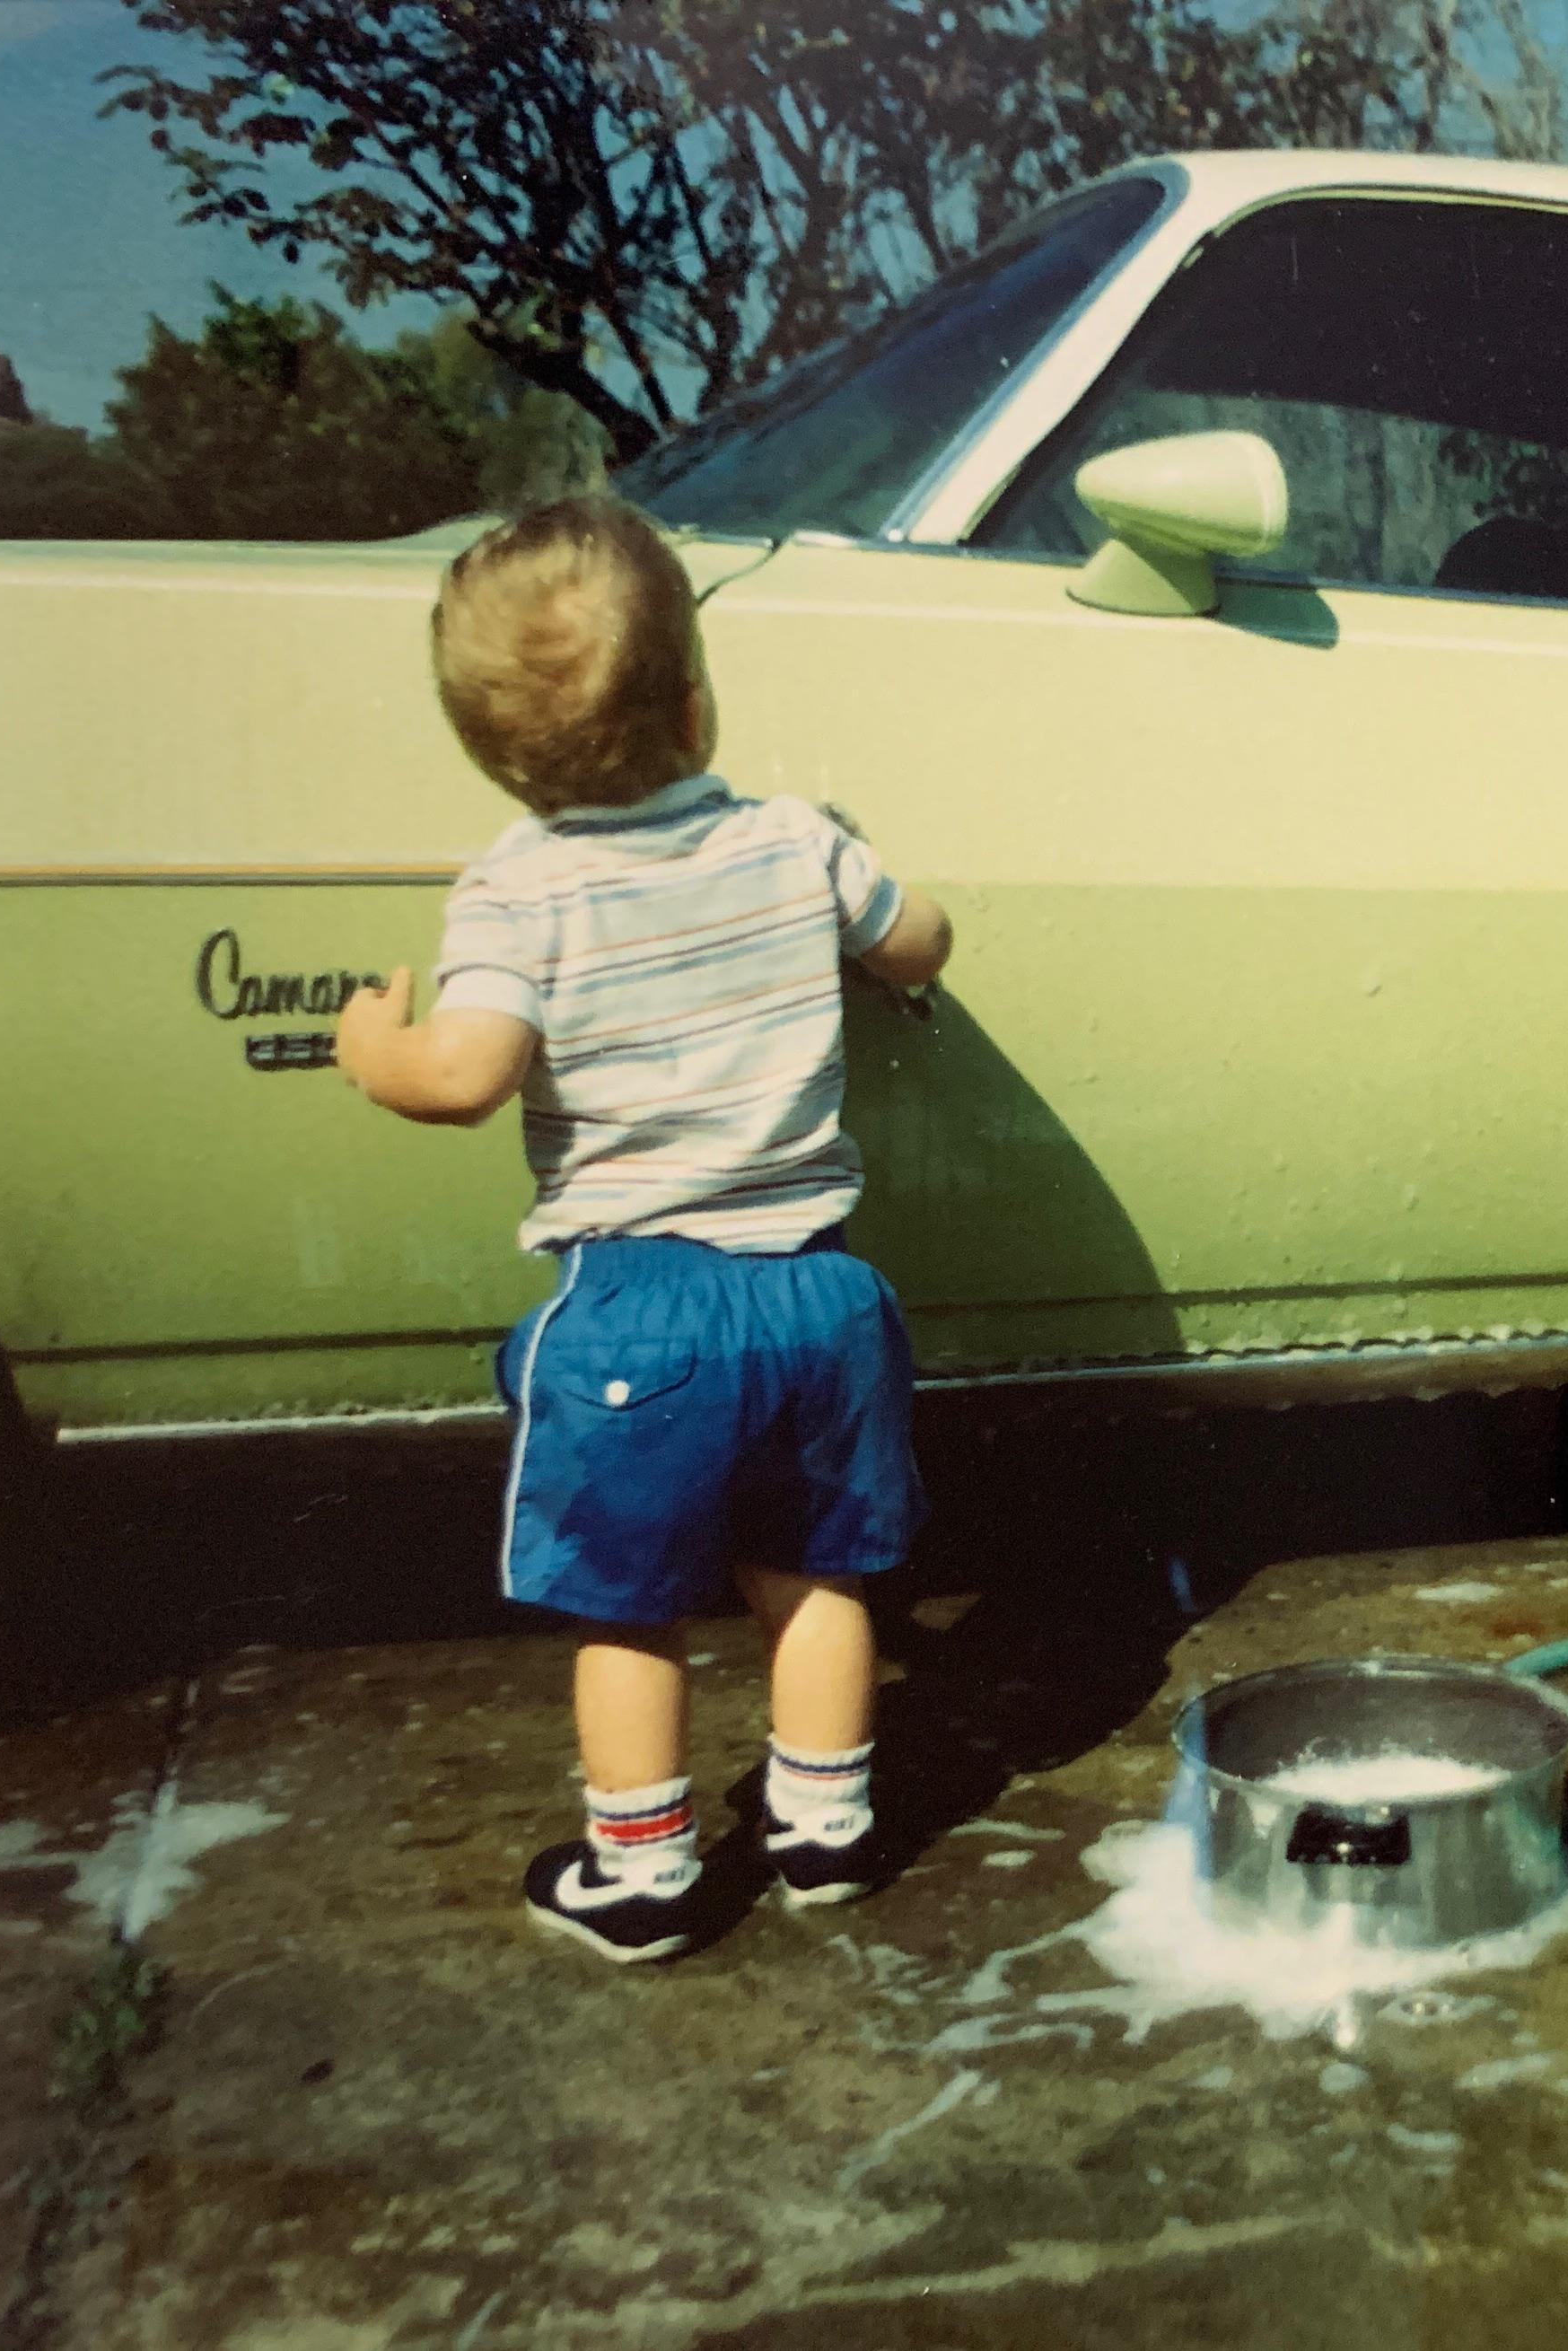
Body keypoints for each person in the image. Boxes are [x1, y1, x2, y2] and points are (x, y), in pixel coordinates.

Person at [337, 498, 955, 1962]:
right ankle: (824, 1830)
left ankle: (650, 1871)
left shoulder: (518, 885)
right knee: (815, 1574)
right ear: (693, 701)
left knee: (628, 1608)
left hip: (640, 1312)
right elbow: (917, 941)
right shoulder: (793, 841)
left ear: (491, 751)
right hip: (819, 1294)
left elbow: (468, 1074)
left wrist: (373, 1050)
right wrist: (869, 900)